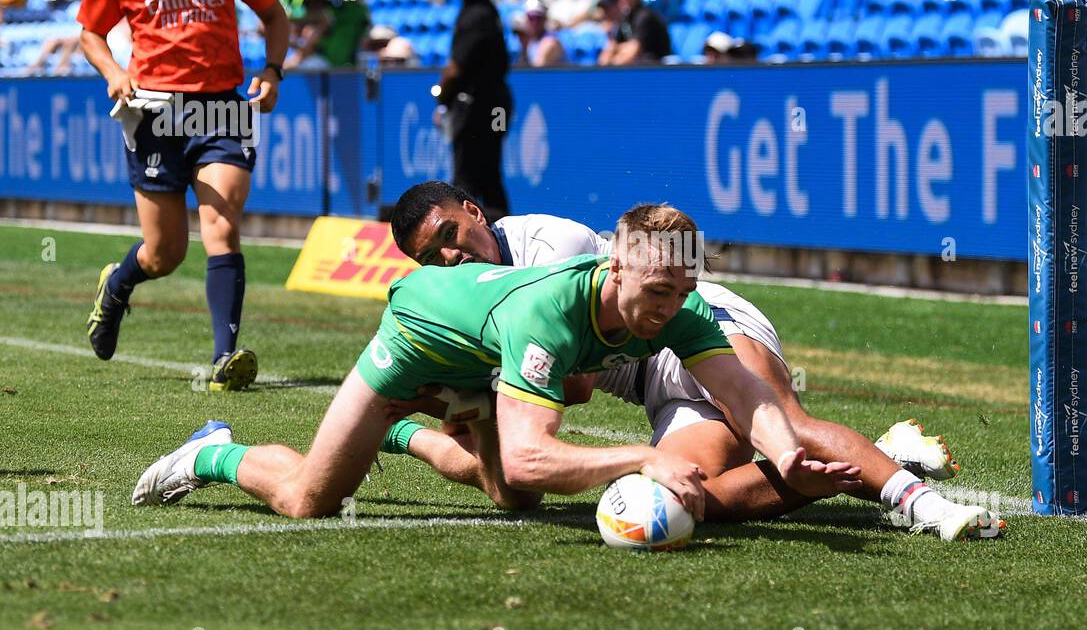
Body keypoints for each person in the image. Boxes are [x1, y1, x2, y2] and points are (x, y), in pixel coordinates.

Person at [132, 205, 868, 528]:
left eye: (679, 288)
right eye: (658, 289)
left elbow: (745, 393)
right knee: (305, 500)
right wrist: (644, 458)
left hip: (489, 356)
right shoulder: (547, 309)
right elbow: (533, 449)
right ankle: (213, 453)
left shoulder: (670, 297)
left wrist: (784, 455)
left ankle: (416, 433)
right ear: (615, 270)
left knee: (513, 499)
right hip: (415, 338)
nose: (670, 302)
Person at [376, 186, 1002, 540]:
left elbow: (578, 384)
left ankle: (927, 508)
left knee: (787, 418)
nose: (450, 258)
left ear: (475, 213)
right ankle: (872, 456)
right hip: (655, 380)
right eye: (432, 257)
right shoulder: (478, 298)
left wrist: (454, 394)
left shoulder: (548, 250)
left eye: (452, 235)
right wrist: (449, 409)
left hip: (692, 324)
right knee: (695, 500)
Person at [78, 0, 290, 390]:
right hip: (154, 113)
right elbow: (90, 33)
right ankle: (118, 285)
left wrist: (272, 69)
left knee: (221, 222)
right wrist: (113, 71)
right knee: (165, 253)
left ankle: (225, 358)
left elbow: (274, 15)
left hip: (222, 108)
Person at [436, 0, 512, 221]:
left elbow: (457, 66)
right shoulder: (485, 10)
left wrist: (441, 98)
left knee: (468, 172)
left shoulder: (474, 14)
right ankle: (497, 226)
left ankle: (467, 230)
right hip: (493, 101)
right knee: (487, 171)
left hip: (477, 103)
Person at [599, 0, 671, 65]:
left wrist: (608, 70)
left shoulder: (645, 16)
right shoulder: (624, 18)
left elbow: (633, 52)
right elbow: (610, 48)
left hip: (656, 71)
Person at [514, 0, 566, 66]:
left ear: (545, 19)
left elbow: (536, 71)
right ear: (526, 19)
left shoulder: (549, 43)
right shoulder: (529, 40)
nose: (535, 23)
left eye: (538, 18)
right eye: (531, 18)